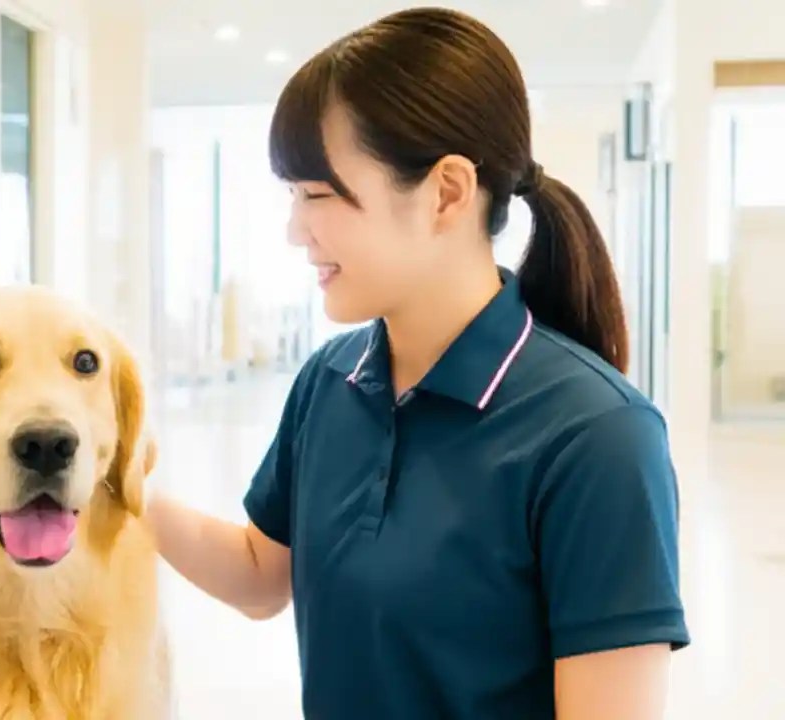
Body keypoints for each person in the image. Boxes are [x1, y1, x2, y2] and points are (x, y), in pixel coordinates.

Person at [143, 7, 688, 719]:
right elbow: (259, 574)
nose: (293, 230)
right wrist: (118, 491)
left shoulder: (598, 437)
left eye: (316, 195)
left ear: (448, 193)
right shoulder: (329, 382)